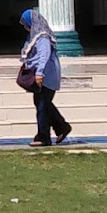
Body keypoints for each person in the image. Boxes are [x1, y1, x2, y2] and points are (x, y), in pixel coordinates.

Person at [19, 8, 71, 147]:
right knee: (43, 103)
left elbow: (44, 55)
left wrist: (39, 73)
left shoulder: (42, 37)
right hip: (43, 75)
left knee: (42, 105)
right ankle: (62, 127)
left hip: (46, 76)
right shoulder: (35, 36)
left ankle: (43, 137)